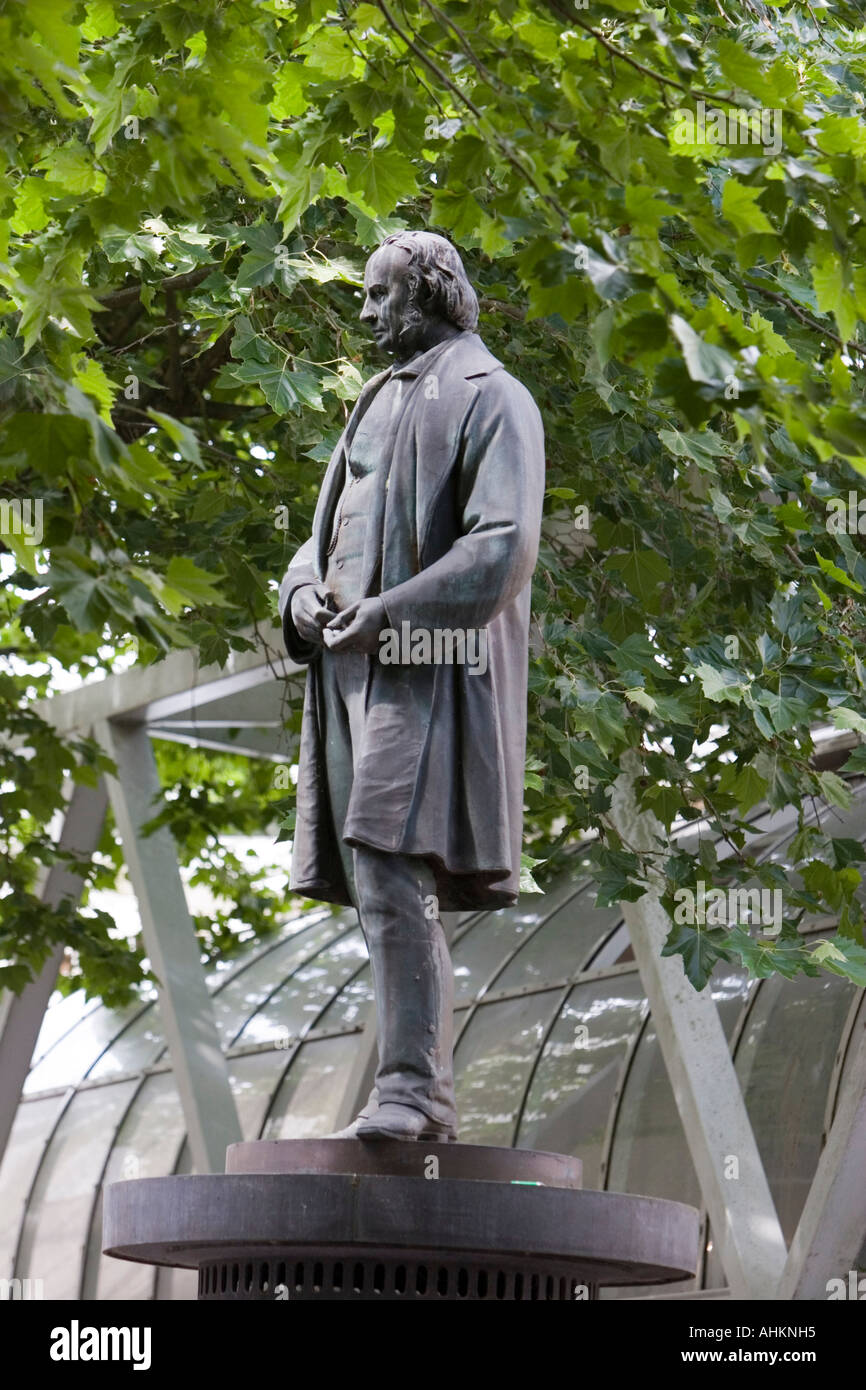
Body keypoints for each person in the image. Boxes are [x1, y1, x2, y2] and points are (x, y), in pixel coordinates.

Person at [278, 230, 545, 1140]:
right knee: (371, 866)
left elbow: (501, 544)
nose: (364, 312)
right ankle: (410, 1088)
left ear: (429, 294)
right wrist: (303, 594)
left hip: (425, 671)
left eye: (379, 295)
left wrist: (391, 611)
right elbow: (317, 537)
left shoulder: (495, 398)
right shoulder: (371, 401)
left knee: (391, 862)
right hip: (349, 672)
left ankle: (414, 1093)